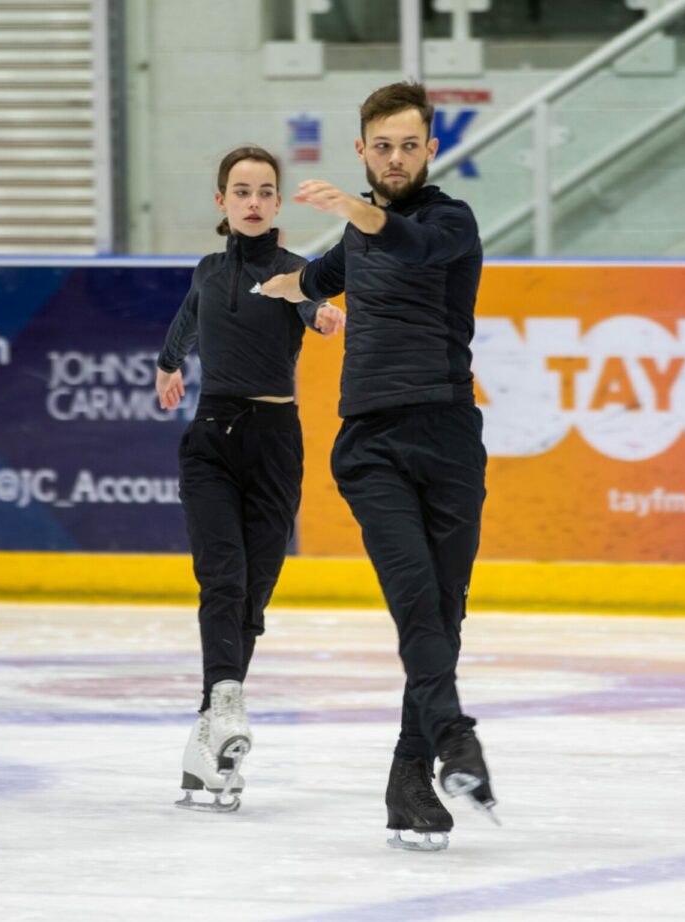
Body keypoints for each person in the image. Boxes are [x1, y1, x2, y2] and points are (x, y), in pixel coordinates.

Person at [261, 81, 495, 851]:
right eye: (381, 146)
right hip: (371, 448)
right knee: (416, 601)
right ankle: (454, 738)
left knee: (444, 609)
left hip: (450, 439)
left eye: (408, 145)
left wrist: (357, 213)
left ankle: (408, 777)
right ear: (362, 150)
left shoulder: (449, 222)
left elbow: (411, 244)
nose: (395, 158)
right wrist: (268, 285)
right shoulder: (354, 241)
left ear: (430, 150)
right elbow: (309, 280)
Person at [156, 145, 344, 813]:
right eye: (241, 190)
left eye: (265, 190)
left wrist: (320, 314)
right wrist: (167, 364)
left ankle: (209, 731)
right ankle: (227, 702)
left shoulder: (295, 272)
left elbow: (309, 306)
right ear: (222, 202)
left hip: (275, 442)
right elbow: (184, 321)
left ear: (277, 201)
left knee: (253, 599)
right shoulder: (208, 270)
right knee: (223, 577)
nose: (254, 200)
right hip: (211, 438)